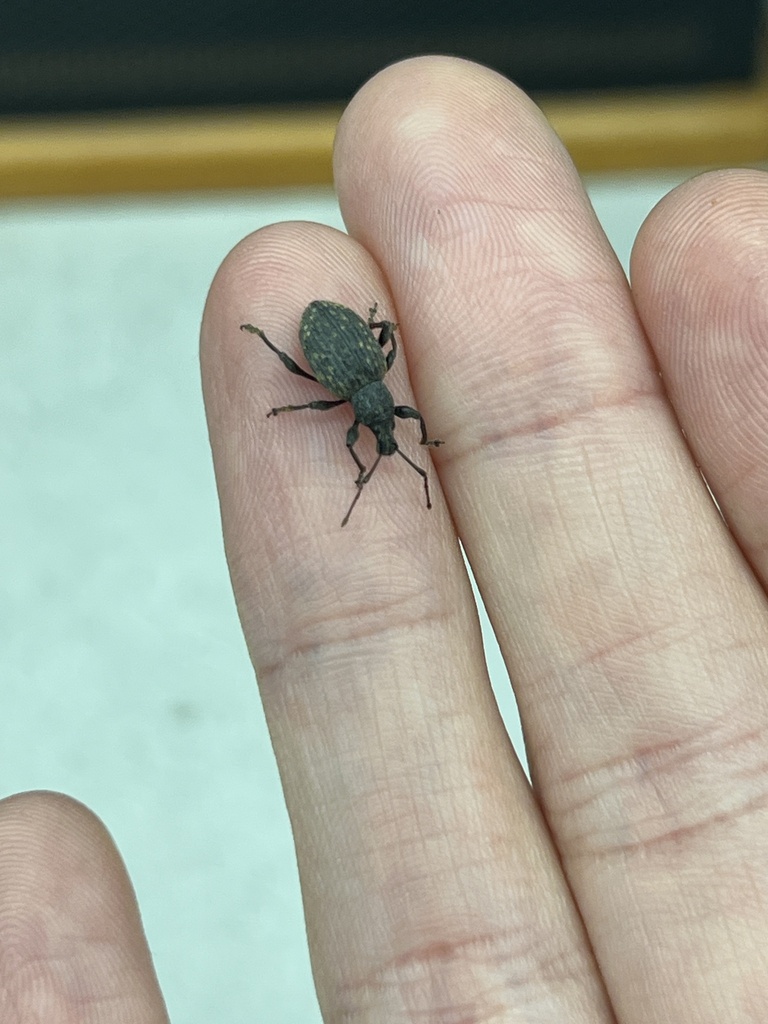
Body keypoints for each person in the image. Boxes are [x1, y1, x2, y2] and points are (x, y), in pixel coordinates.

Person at [4, 54, 768, 1022]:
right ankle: (264, 350)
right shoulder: (361, 393)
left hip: (350, 343)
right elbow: (354, 414)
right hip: (338, 337)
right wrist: (316, 398)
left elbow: (393, 430)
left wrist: (397, 446)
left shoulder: (380, 399)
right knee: (300, 388)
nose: (381, 434)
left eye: (382, 435)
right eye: (381, 434)